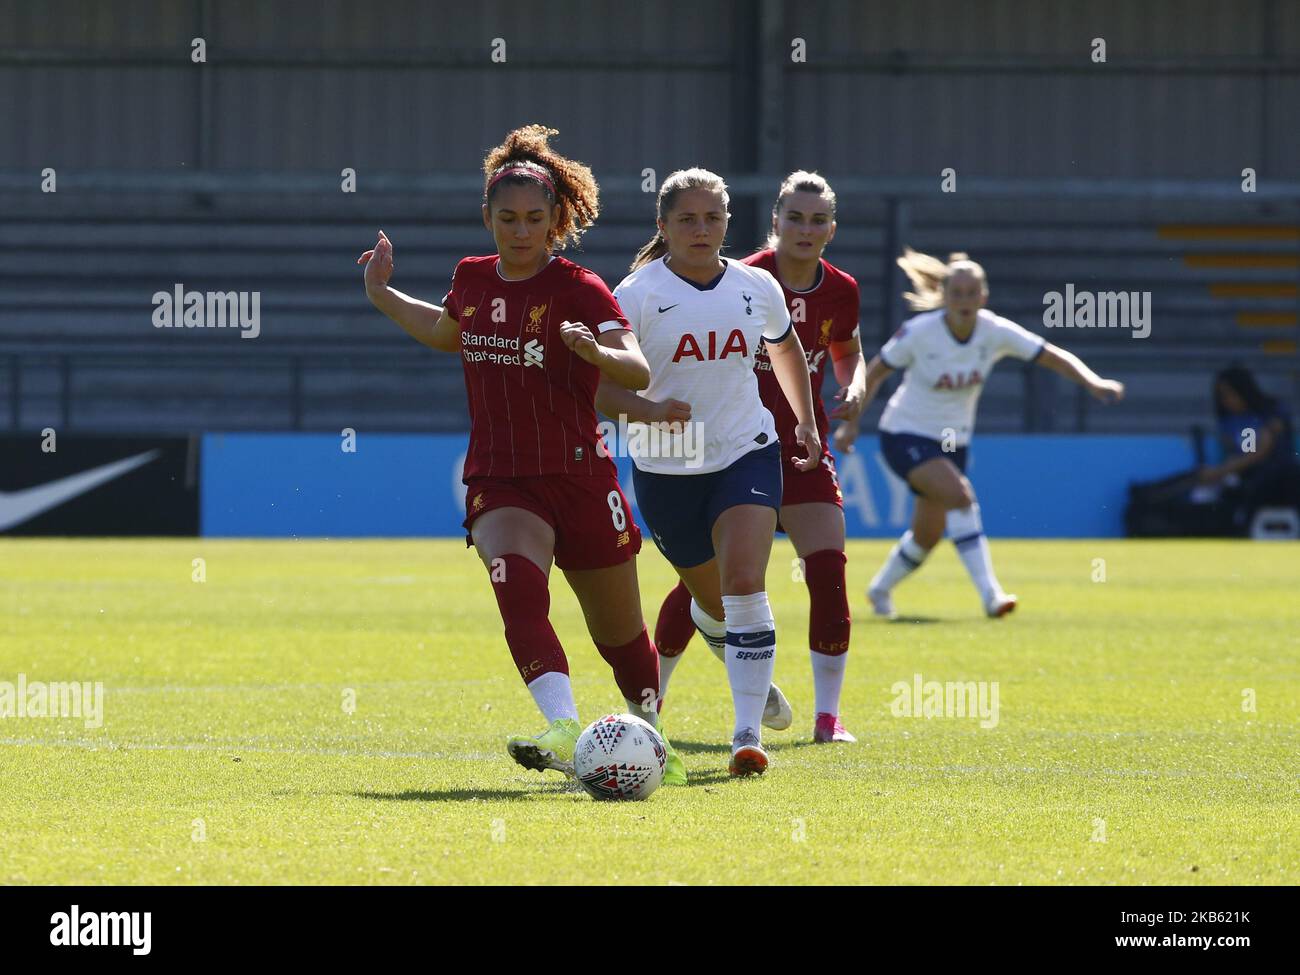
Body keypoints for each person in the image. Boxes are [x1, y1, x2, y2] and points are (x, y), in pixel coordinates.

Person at [356, 125, 684, 784]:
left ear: (556, 219)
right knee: (518, 589)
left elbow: (640, 368)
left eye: (535, 218)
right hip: (503, 478)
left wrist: (598, 354)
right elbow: (449, 333)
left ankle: (654, 743)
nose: (521, 231)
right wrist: (383, 295)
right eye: (507, 218)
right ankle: (563, 725)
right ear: (487, 218)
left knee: (621, 639)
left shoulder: (581, 288)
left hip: (582, 477)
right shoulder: (472, 279)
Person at [597, 168, 821, 777]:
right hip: (665, 465)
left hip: (745, 450)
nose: (702, 230)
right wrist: (645, 411)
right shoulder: (635, 294)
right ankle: (749, 669)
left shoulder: (757, 286)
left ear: (729, 222)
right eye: (687, 219)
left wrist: (802, 419)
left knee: (746, 582)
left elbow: (784, 348)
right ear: (663, 226)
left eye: (713, 218)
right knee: (714, 604)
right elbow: (597, 387)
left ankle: (746, 734)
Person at [650, 171, 863, 743]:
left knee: (826, 570)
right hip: (718, 449)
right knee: (711, 585)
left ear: (831, 229)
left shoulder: (841, 289)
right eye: (794, 216)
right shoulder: (736, 278)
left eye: (818, 219)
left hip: (787, 445)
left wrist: (853, 385)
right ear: (774, 222)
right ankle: (653, 697)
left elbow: (844, 347)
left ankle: (825, 717)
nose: (805, 228)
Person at [844, 249, 1125, 617]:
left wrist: (1092, 381)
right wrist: (851, 421)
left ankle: (879, 590)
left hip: (954, 442)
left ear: (983, 297)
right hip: (905, 433)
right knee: (961, 497)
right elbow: (877, 370)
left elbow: (1050, 355)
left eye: (971, 292)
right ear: (944, 297)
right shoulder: (919, 333)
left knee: (927, 536)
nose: (964, 300)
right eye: (956, 293)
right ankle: (992, 595)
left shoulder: (994, 331)